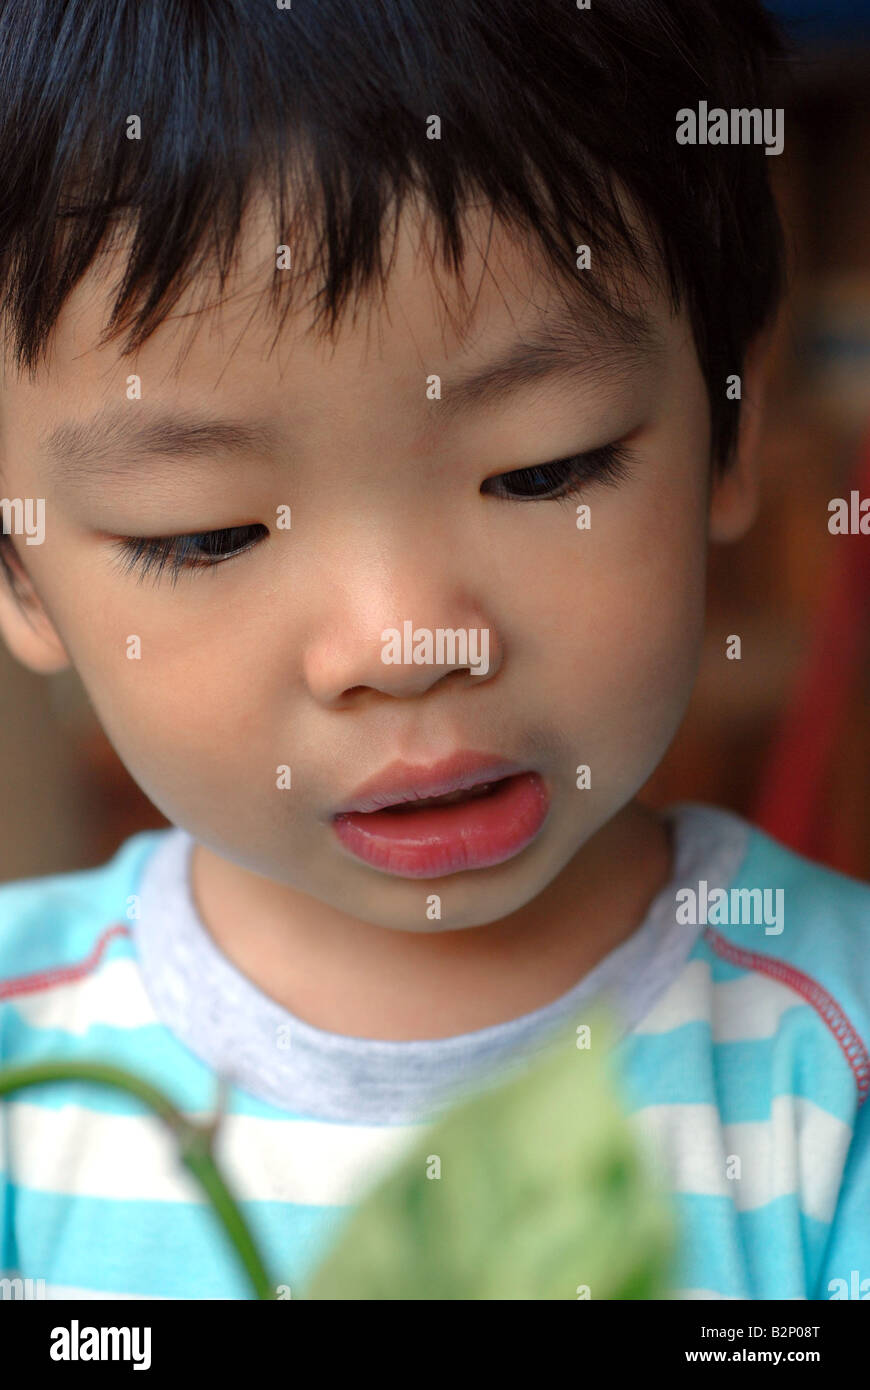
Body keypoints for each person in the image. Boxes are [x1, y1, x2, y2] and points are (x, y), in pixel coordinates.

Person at [0, 0, 867, 1300]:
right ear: (16, 564)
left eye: (542, 468)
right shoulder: (27, 1059)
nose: (402, 645)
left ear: (728, 431)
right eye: (209, 533)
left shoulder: (831, 1066)